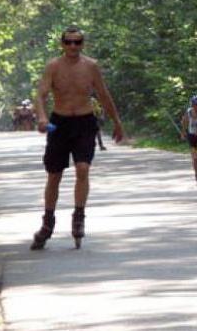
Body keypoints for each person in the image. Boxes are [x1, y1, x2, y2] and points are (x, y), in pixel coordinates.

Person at [31, 26, 124, 250]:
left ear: (83, 44)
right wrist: (42, 118)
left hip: (84, 122)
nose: (73, 46)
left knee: (83, 168)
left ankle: (79, 216)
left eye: (77, 42)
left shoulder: (91, 66)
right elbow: (41, 95)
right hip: (60, 123)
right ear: (62, 44)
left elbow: (103, 95)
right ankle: (48, 221)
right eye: (69, 42)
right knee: (54, 175)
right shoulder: (53, 66)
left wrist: (117, 122)